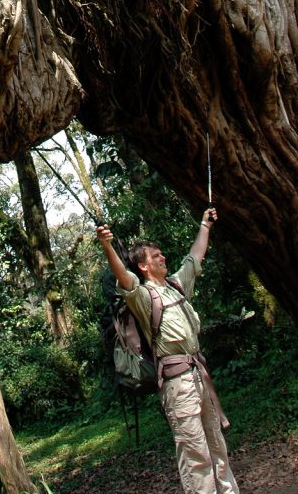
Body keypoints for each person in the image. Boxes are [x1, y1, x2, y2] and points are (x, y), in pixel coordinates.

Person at [97, 209, 240, 494]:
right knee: (195, 455)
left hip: (200, 376)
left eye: (162, 254)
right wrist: (107, 245)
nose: (163, 258)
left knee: (216, 446)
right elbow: (123, 277)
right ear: (144, 267)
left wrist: (205, 225)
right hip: (177, 384)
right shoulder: (142, 296)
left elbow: (194, 258)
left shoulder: (175, 284)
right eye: (156, 256)